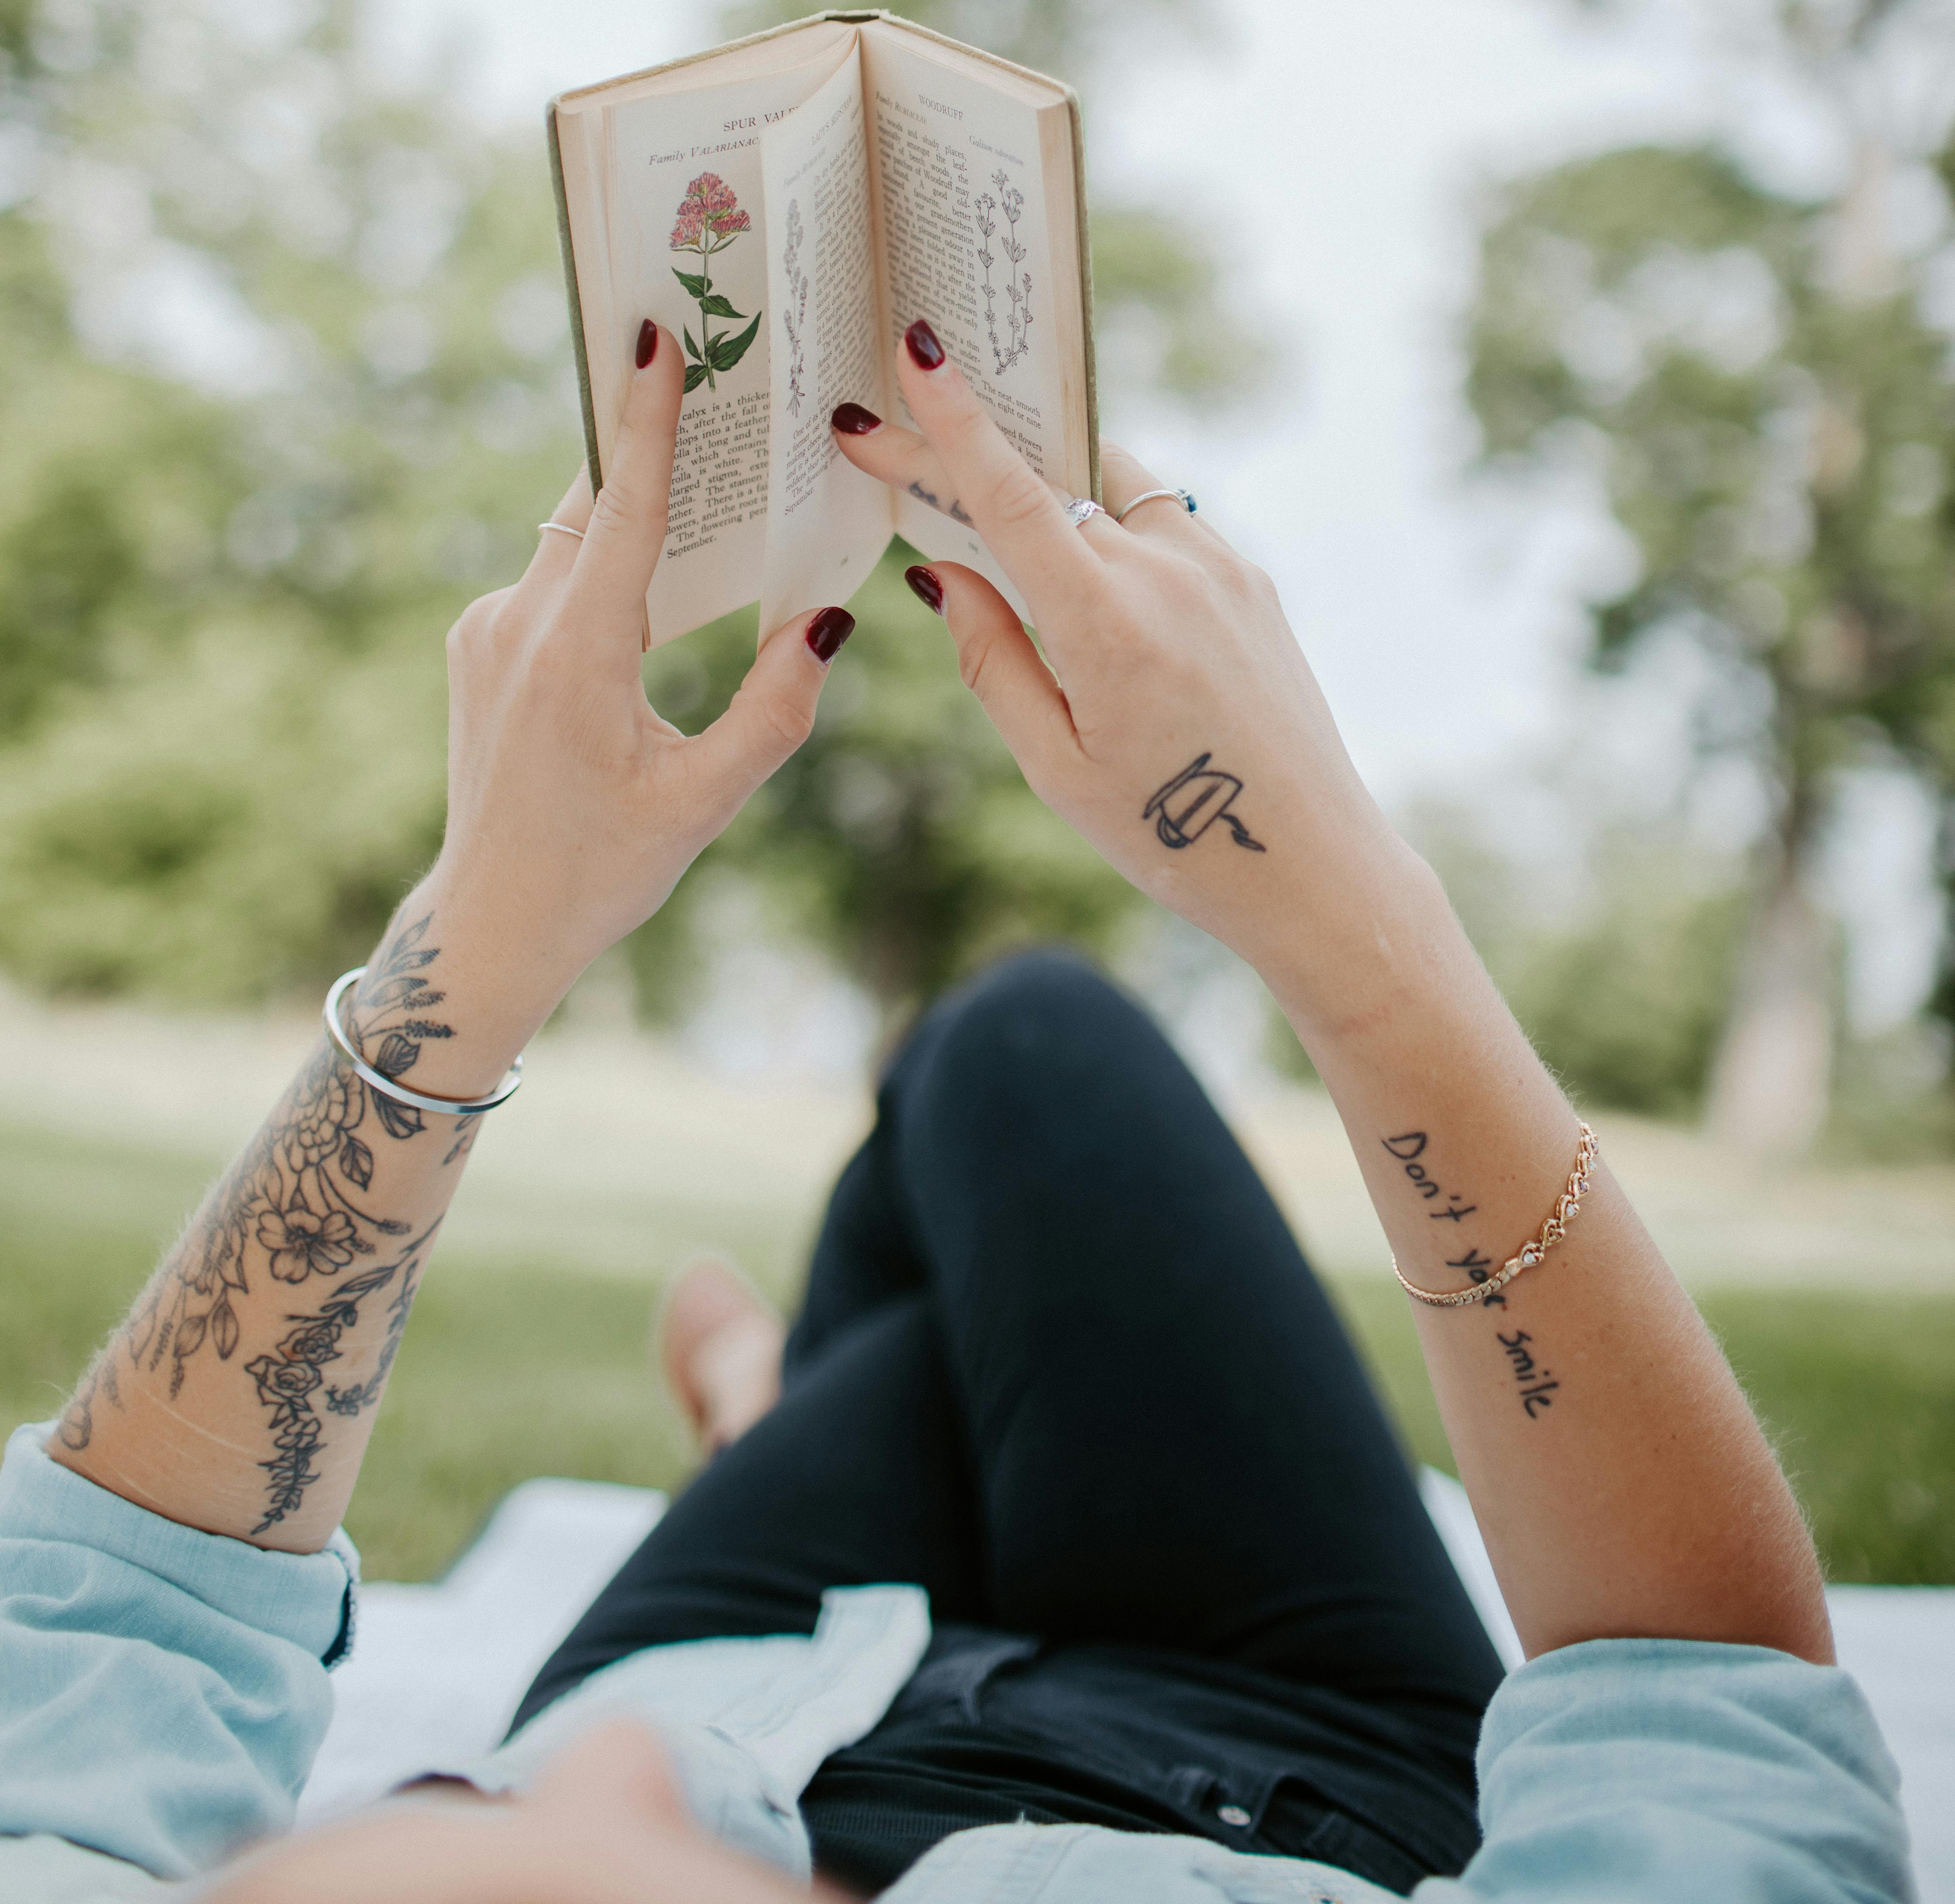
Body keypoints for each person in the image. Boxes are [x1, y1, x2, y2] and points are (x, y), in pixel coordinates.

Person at [0, 318, 1910, 1901]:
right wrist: (1352, 920)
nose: (594, 1785)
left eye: (460, 1807)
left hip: (748, 1671)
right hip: (1282, 1748)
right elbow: (1702, 1699)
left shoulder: (649, 1768)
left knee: (921, 1295)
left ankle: (780, 1419)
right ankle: (784, 1412)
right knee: (1021, 1053)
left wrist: (473, 947)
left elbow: (122, 1620)